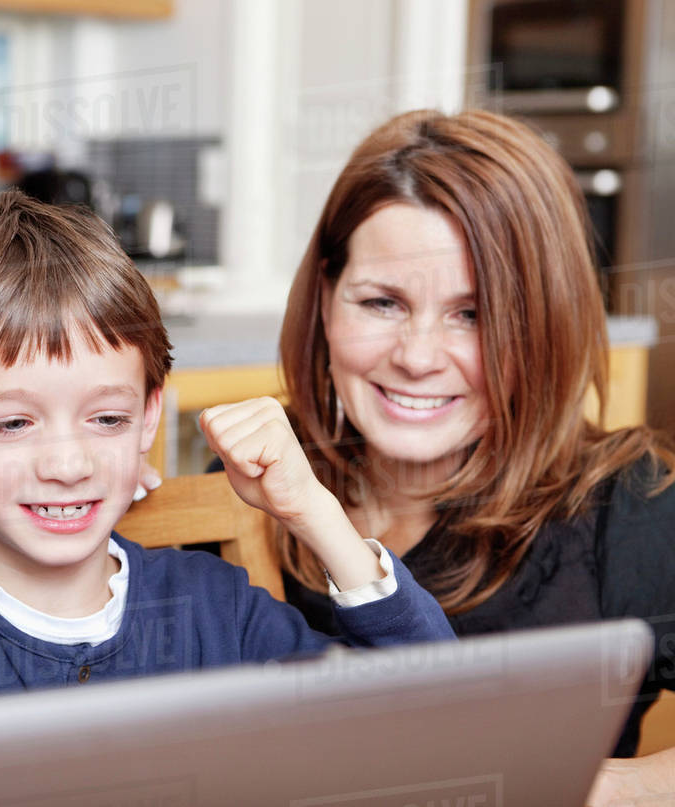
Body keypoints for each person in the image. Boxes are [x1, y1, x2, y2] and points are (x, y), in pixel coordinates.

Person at [0, 190, 455, 805]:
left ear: (148, 416)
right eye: (13, 423)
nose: (67, 463)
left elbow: (433, 725)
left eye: (106, 419)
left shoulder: (216, 608)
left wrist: (313, 508)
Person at [271, 108, 675, 805]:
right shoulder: (261, 487)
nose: (419, 356)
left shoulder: (628, 507)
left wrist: (608, 788)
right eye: (382, 302)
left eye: (475, 313)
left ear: (544, 324)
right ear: (326, 303)